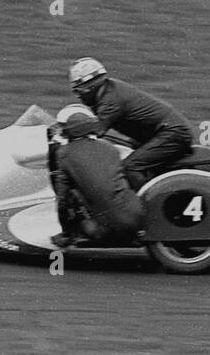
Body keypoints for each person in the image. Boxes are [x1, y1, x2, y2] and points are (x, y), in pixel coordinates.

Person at [68, 57, 194, 191]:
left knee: (130, 167)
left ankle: (145, 206)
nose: (79, 96)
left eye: (78, 91)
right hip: (161, 132)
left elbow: (96, 131)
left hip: (172, 133)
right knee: (124, 151)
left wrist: (64, 133)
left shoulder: (111, 101)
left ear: (90, 87)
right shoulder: (109, 90)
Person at [48, 104, 145, 249]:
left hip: (107, 229)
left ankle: (75, 235)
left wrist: (65, 233)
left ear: (71, 129)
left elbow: (63, 201)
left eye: (63, 126)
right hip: (137, 219)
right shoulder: (110, 147)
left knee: (73, 195)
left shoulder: (64, 154)